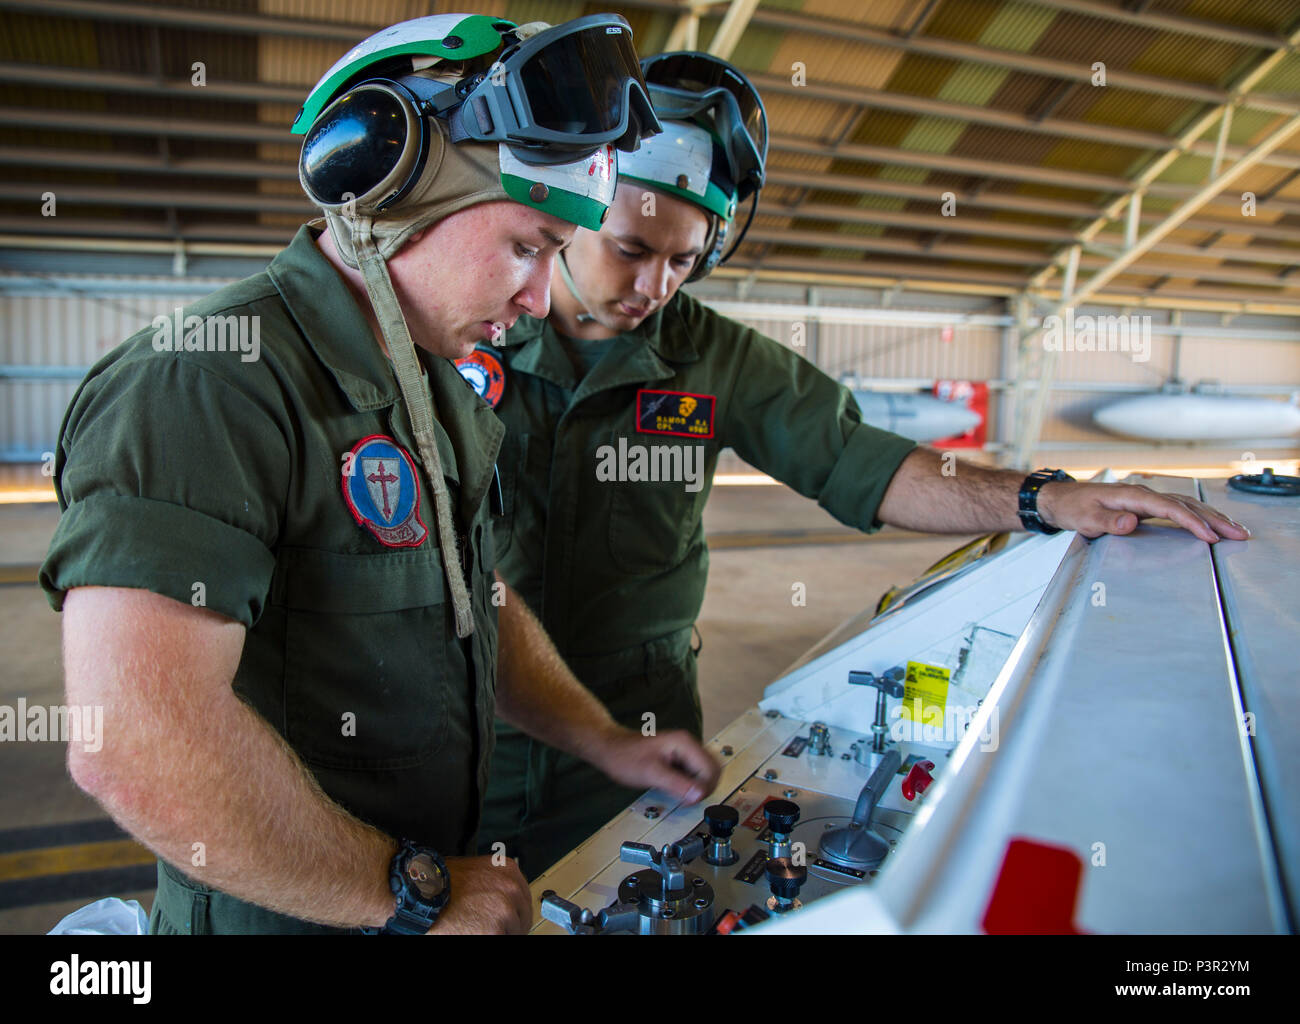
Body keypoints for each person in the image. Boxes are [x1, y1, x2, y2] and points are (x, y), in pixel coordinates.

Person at [469, 51, 1252, 879]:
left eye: (685, 260)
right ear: (575, 212)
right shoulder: (469, 328)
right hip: (472, 731)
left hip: (639, 737)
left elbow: (862, 461)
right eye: (632, 249)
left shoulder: (714, 360)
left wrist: (1045, 499)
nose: (656, 285)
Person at [38, 14, 719, 936]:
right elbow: (136, 739)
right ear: (388, 186)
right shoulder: (204, 382)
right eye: (528, 246)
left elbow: (478, 599)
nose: (536, 297)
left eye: (556, 256)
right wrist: (410, 891)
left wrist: (602, 741)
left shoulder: (431, 388)